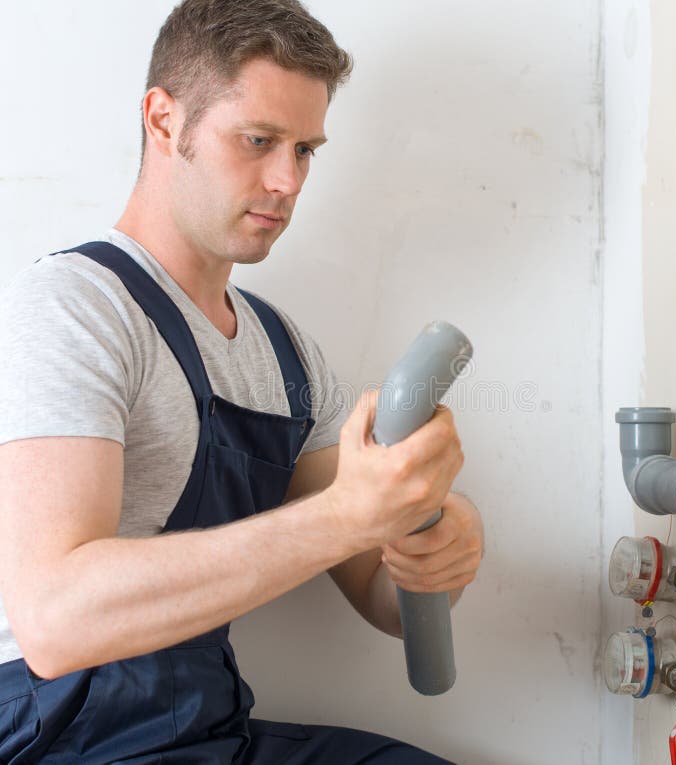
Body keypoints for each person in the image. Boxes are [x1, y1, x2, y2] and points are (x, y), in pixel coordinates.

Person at [0, 0, 484, 762]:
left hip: (202, 725)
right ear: (164, 121)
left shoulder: (285, 354)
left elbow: (381, 596)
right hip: (58, 732)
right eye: (258, 140)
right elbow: (56, 620)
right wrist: (344, 516)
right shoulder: (76, 306)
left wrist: (436, 548)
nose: (286, 180)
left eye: (305, 150)